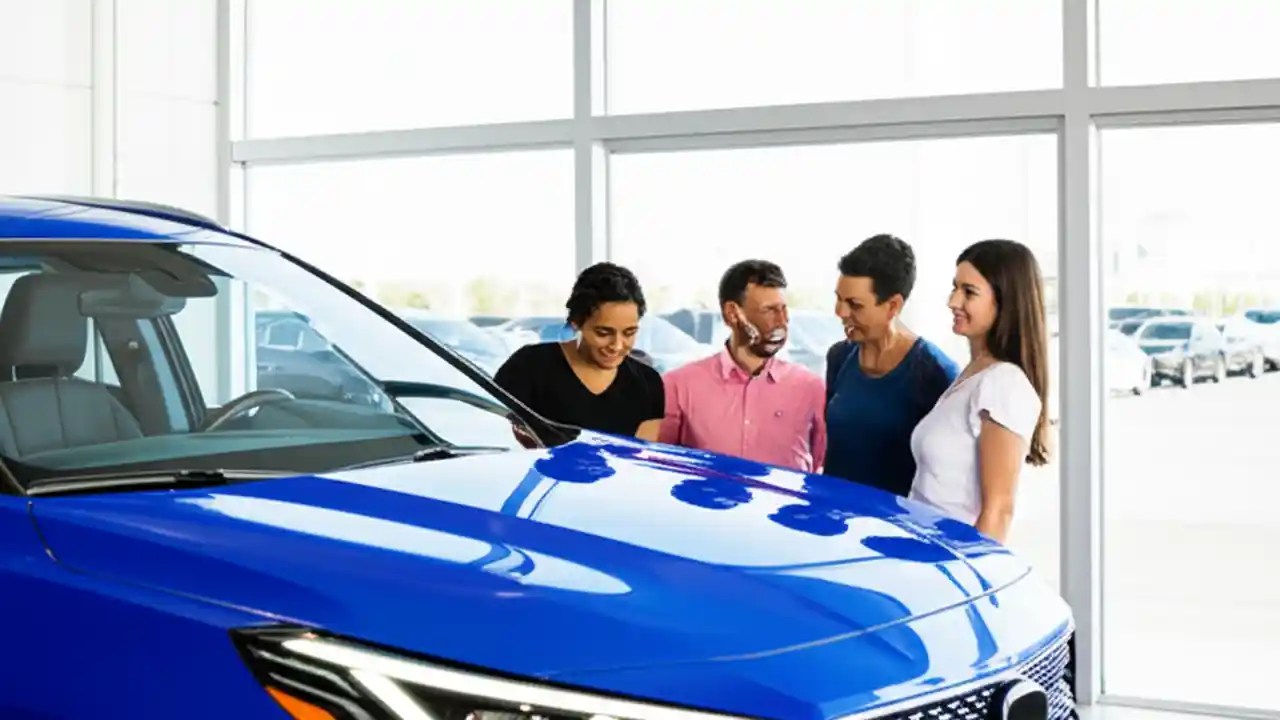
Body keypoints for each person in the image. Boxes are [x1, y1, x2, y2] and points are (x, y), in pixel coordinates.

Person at [908, 239, 1051, 543]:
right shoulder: (972, 375)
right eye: (955, 287)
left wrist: (970, 580)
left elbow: (998, 511)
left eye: (969, 292)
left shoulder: (1004, 383)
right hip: (928, 557)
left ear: (1005, 303)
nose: (953, 301)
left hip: (953, 567)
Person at [659, 260, 827, 472]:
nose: (782, 321)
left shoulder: (811, 388)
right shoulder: (678, 386)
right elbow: (660, 467)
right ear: (732, 313)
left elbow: (823, 467)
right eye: (769, 310)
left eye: (784, 309)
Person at [824, 234, 960, 496]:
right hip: (833, 525)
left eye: (854, 304)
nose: (840, 312)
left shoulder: (935, 373)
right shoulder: (839, 358)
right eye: (839, 298)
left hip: (891, 529)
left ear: (893, 305)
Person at [493, 262, 664, 441]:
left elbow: (640, 459)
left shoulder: (647, 383)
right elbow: (498, 438)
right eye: (603, 333)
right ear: (576, 322)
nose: (617, 345)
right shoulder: (529, 367)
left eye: (629, 333)